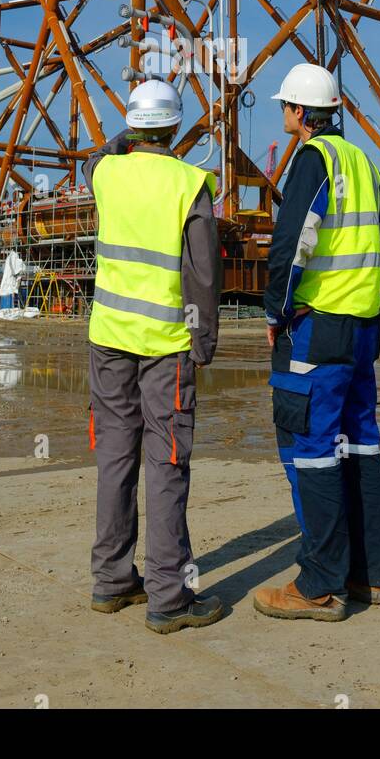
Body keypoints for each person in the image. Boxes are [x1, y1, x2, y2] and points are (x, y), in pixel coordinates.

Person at [83, 78, 224, 634]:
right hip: (165, 347)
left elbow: (99, 154)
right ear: (174, 126)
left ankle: (112, 581)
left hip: (108, 339)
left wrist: (128, 132)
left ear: (133, 125)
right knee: (166, 464)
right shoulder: (191, 183)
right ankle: (169, 596)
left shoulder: (105, 174)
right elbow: (204, 276)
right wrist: (204, 341)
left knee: (115, 458)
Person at [253, 63, 380, 622]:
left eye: (285, 105)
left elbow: (292, 241)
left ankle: (319, 587)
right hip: (363, 325)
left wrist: (275, 311)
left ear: (300, 113)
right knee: (360, 445)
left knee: (310, 449)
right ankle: (369, 574)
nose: (282, 112)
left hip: (318, 326)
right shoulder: (364, 163)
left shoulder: (314, 160)